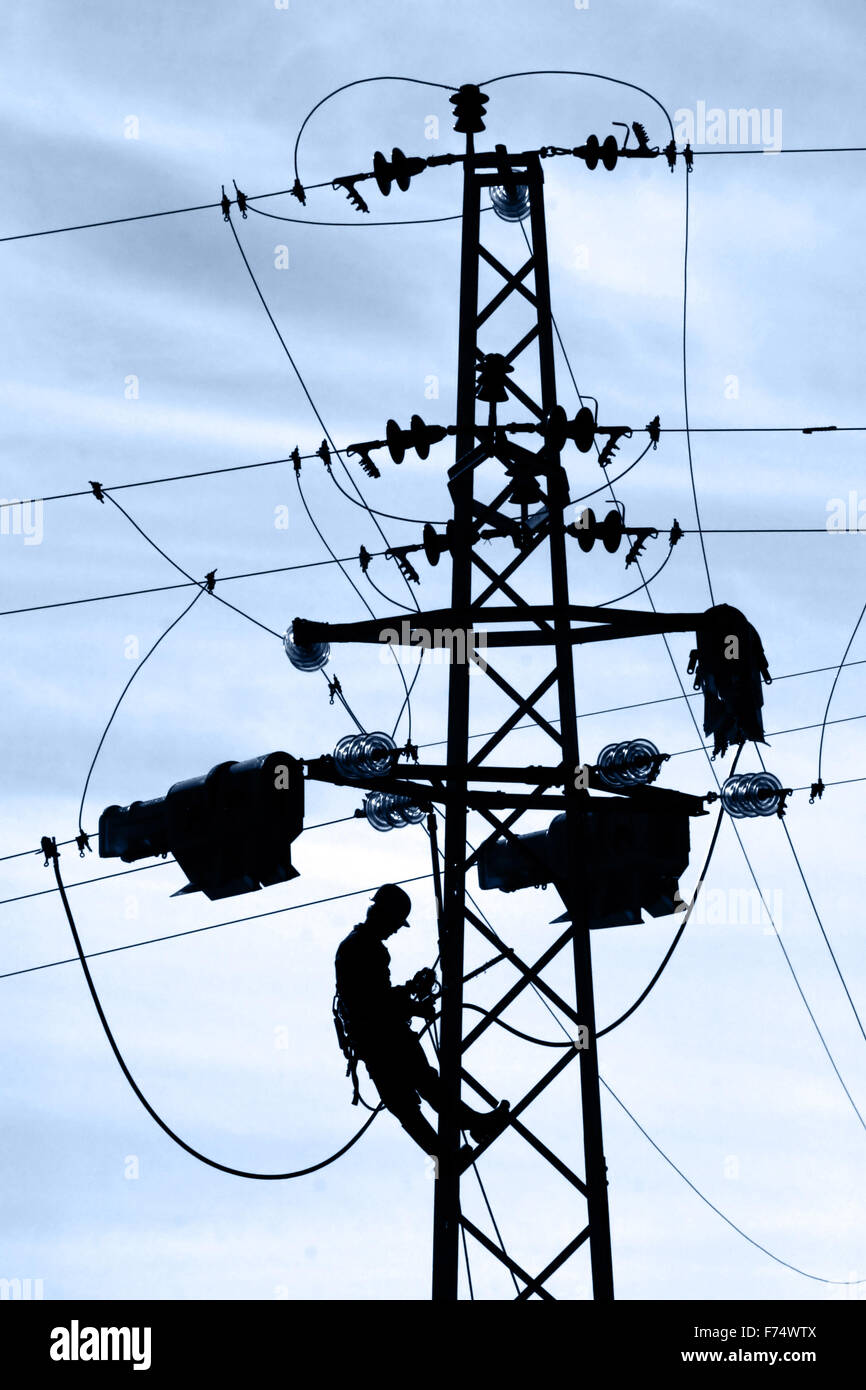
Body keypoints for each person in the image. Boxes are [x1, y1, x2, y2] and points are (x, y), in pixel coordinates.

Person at [334, 884, 509, 1160]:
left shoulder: (358, 946)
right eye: (394, 923)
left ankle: (456, 1145)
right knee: (420, 1090)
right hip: (382, 1038)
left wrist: (411, 994)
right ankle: (466, 1135)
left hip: (374, 1038)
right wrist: (414, 1006)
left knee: (411, 1098)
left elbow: (374, 999)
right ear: (384, 915)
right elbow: (375, 1001)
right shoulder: (365, 948)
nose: (394, 930)